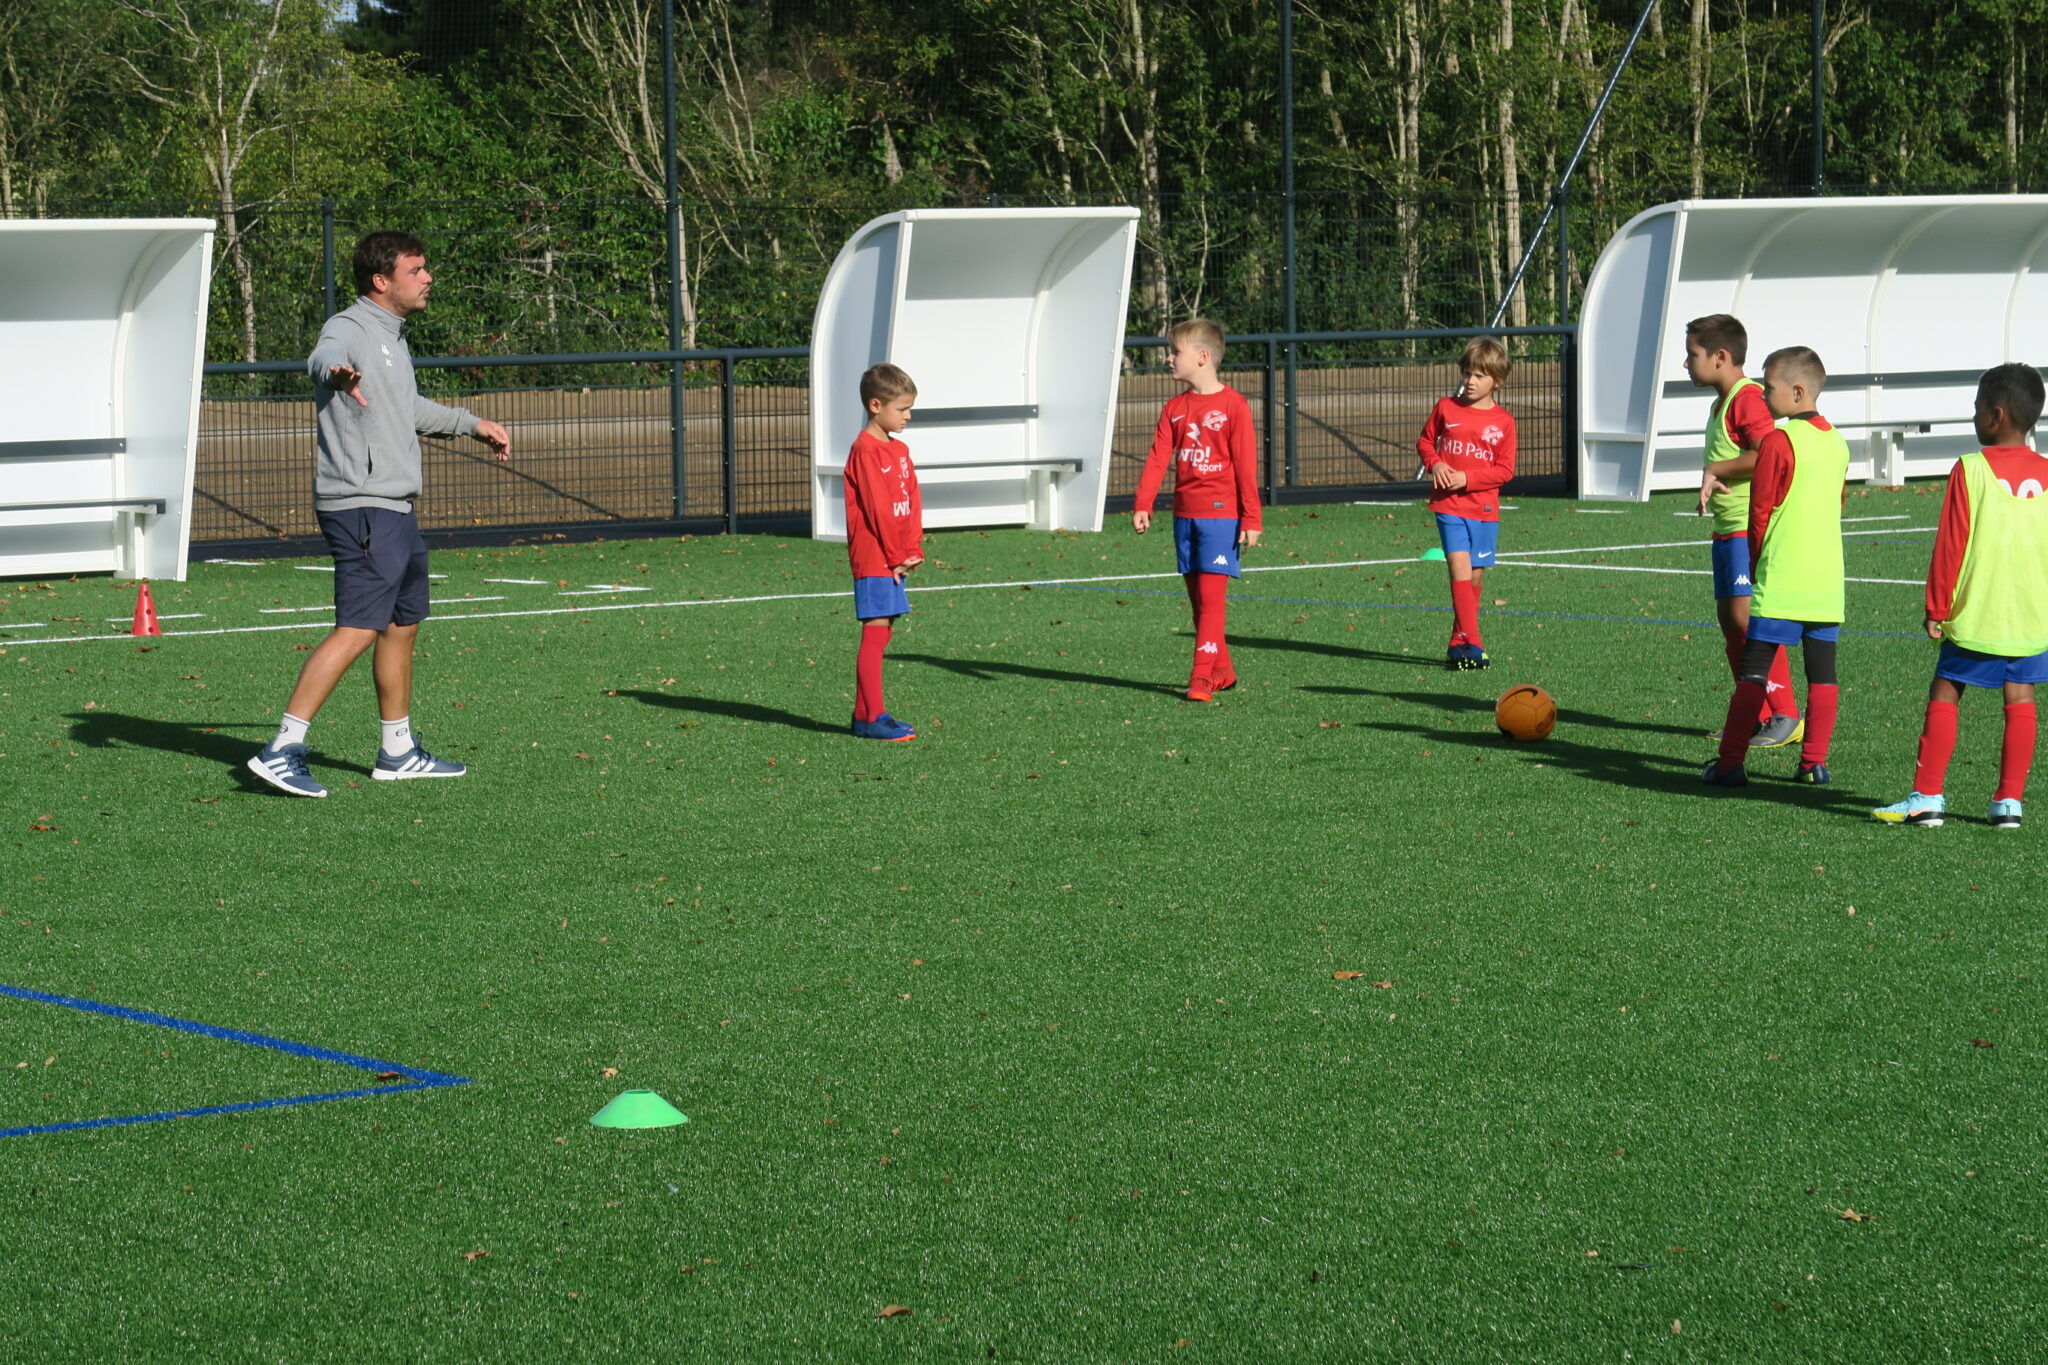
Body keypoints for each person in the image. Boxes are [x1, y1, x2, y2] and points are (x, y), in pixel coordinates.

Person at [246, 231, 511, 798]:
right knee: (360, 626)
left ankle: (397, 752)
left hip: (395, 506)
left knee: (401, 624)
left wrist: (472, 424)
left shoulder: (393, 337)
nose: (427, 278)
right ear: (381, 280)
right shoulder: (350, 327)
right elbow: (322, 356)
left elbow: (407, 408)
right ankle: (282, 749)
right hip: (362, 503)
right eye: (416, 270)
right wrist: (336, 373)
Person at [1873, 363, 2048, 830]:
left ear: (1996, 414)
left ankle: (1927, 797)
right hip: (2032, 616)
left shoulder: (1970, 468)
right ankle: (2009, 803)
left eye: (1976, 408)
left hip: (1978, 609)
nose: (1973, 416)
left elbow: (1951, 544)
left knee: (1946, 690)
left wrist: (1936, 607)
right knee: (2021, 696)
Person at [1702, 346, 1848, 788]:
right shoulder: (1838, 443)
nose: (1763, 395)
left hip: (1782, 578)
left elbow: (1760, 511)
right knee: (1823, 677)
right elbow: (1837, 503)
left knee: (1753, 673)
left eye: (1768, 387)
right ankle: (1813, 764)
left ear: (1797, 392)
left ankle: (1730, 764)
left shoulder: (1779, 442)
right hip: (1826, 581)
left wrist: (1757, 559)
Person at [1132, 319, 1263, 701]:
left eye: (1175, 352)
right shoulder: (1174, 408)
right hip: (1184, 517)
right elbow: (1158, 458)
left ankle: (1201, 677)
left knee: (1211, 602)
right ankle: (1223, 670)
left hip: (1221, 518)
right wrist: (1143, 503)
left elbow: (1245, 466)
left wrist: (1252, 517)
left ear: (1203, 357)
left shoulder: (1234, 406)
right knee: (1199, 604)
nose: (1169, 358)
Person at [1688, 313, 1802, 747]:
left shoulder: (1747, 398)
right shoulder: (1721, 403)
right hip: (1725, 529)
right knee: (1730, 621)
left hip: (1745, 528)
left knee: (1746, 618)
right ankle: (1752, 712)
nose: (1686, 363)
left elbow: (1764, 453)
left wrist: (1716, 468)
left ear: (1720, 356)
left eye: (1692, 354)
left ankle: (1785, 713)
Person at [1416, 336, 1517, 669]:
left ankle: (1457, 642)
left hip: (1484, 510)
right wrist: (1436, 464)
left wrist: (1467, 479)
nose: (1470, 381)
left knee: (1474, 576)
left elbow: (1505, 470)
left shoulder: (1504, 422)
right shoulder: (1446, 407)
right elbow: (1425, 442)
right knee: (1459, 567)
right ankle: (1474, 643)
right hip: (1449, 505)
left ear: (1497, 381)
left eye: (1479, 375)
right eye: (1467, 373)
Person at [843, 363, 924, 741]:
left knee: (884, 630)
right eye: (901, 409)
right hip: (876, 558)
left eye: (910, 409)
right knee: (875, 633)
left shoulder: (900, 449)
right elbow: (877, 509)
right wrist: (894, 555)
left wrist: (913, 547)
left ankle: (864, 716)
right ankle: (874, 716)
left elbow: (911, 501)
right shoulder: (865, 450)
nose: (908, 416)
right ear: (875, 405)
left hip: (895, 556)